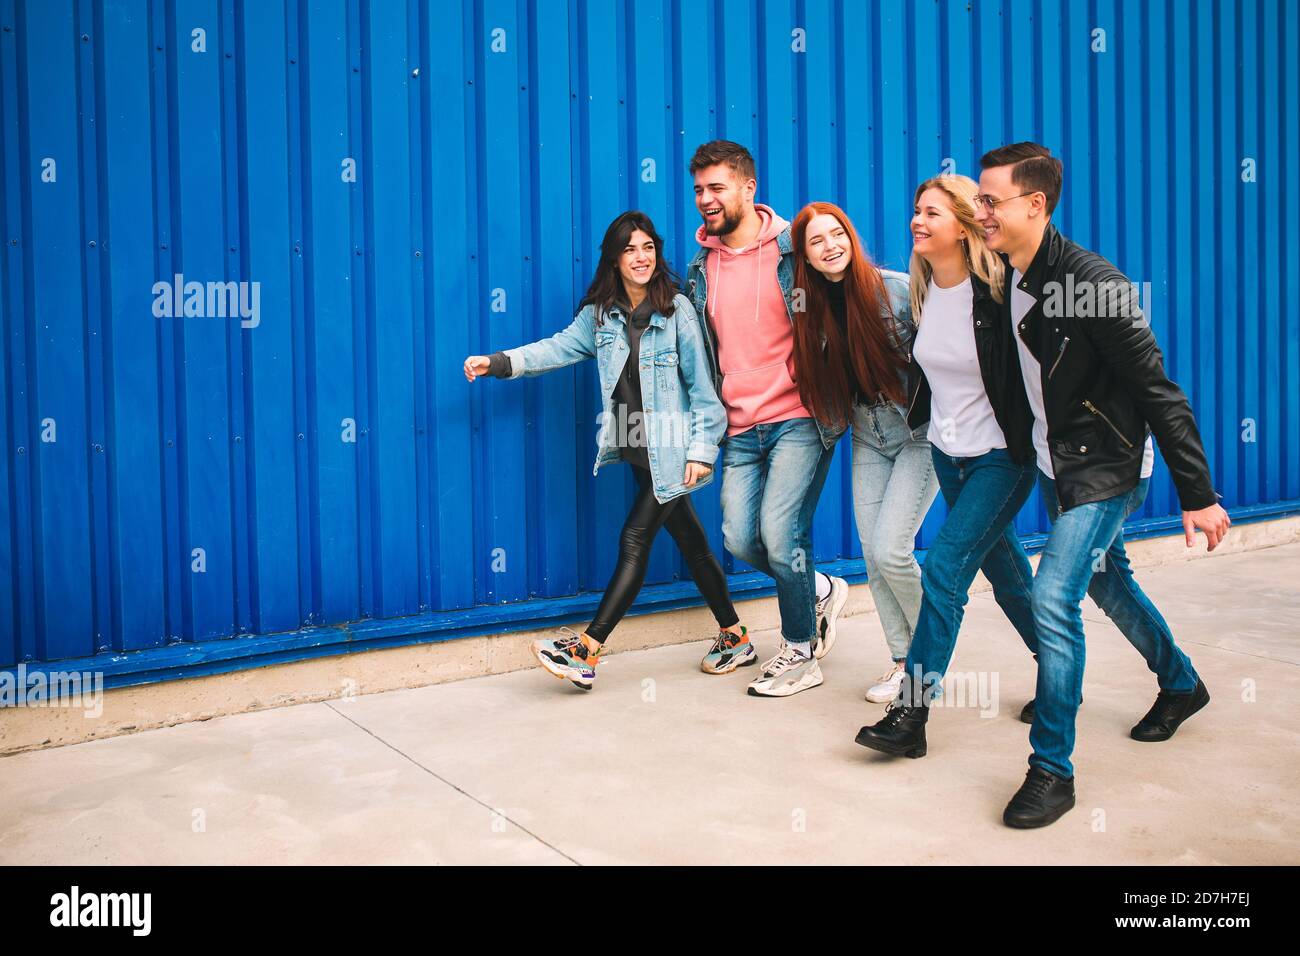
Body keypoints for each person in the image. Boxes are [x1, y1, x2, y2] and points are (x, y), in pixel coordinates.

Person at [975, 142, 1230, 828]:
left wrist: (1197, 493)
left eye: (991, 200)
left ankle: (1051, 770)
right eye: (978, 199)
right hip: (1060, 461)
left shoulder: (1091, 284)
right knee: (1106, 580)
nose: (981, 212)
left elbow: (1160, 392)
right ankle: (1180, 682)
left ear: (1036, 204)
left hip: (1108, 465)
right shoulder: (1005, 270)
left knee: (1055, 594)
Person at [464, 211, 752, 690]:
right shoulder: (602, 316)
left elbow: (704, 391)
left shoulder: (675, 310)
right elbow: (554, 349)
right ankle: (735, 635)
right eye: (629, 249)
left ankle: (587, 649)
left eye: (648, 248)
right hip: (638, 446)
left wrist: (701, 451)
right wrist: (497, 363)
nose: (641, 258)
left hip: (673, 452)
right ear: (615, 259)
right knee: (692, 544)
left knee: (634, 540)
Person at [855, 174, 1042, 758]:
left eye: (931, 213)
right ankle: (1153, 675)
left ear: (964, 225)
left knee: (944, 570)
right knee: (1008, 574)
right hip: (947, 453)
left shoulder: (1005, 293)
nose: (917, 220)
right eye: (915, 210)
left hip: (1001, 457)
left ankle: (910, 715)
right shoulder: (923, 291)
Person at [684, 141, 850, 698]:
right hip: (740, 426)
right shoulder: (700, 268)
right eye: (700, 190)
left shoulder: (791, 248)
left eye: (717, 188)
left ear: (748, 188)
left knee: (782, 535)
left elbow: (851, 282)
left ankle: (800, 653)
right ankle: (820, 588)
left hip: (799, 415)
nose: (706, 199)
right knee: (739, 538)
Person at [788, 201, 938, 703]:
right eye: (816, 241)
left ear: (850, 238)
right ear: (804, 257)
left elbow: (948, 356)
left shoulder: (896, 291)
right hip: (867, 434)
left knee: (894, 550)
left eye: (837, 235)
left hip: (918, 433)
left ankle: (931, 661)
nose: (830, 246)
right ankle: (904, 664)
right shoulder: (807, 311)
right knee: (875, 556)